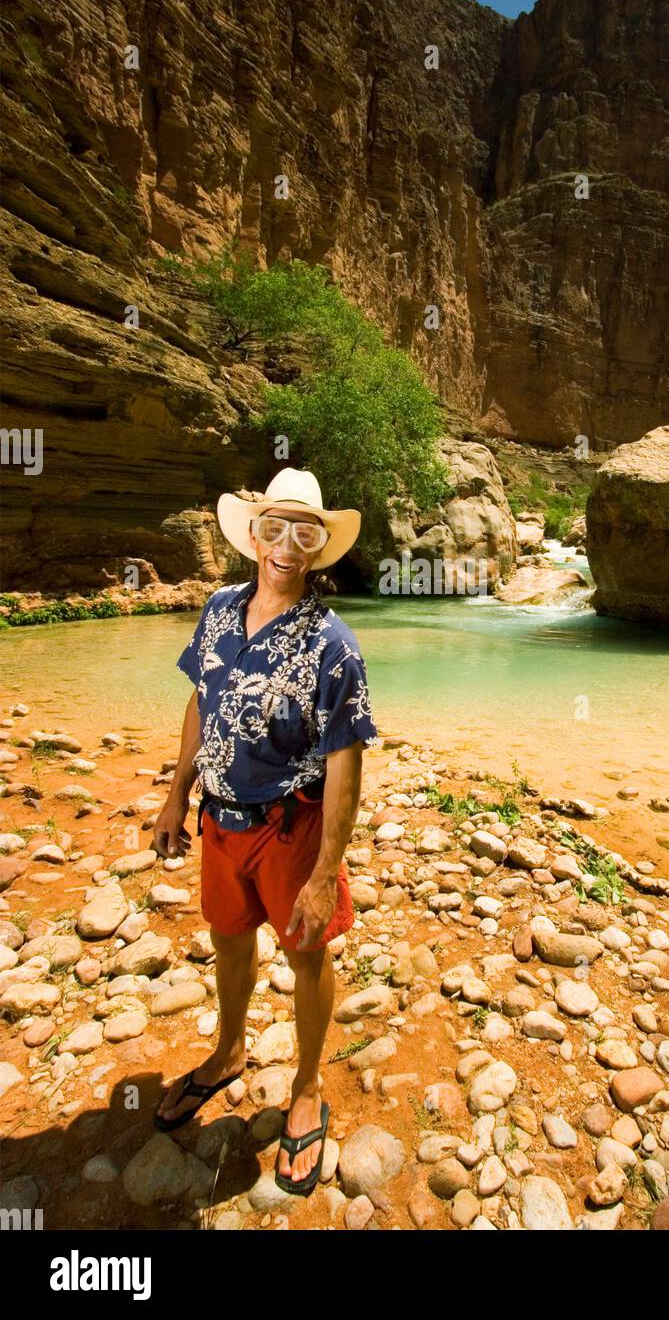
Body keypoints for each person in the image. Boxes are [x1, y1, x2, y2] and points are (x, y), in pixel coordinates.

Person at [151, 468, 379, 1196]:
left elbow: (346, 764)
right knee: (227, 938)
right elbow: (200, 699)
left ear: (319, 546)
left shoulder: (333, 646)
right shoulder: (219, 610)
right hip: (219, 821)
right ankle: (228, 1050)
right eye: (275, 527)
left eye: (304, 532)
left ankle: (308, 1085)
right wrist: (175, 792)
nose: (288, 545)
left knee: (307, 955)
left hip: (292, 831)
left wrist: (324, 871)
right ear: (253, 535)